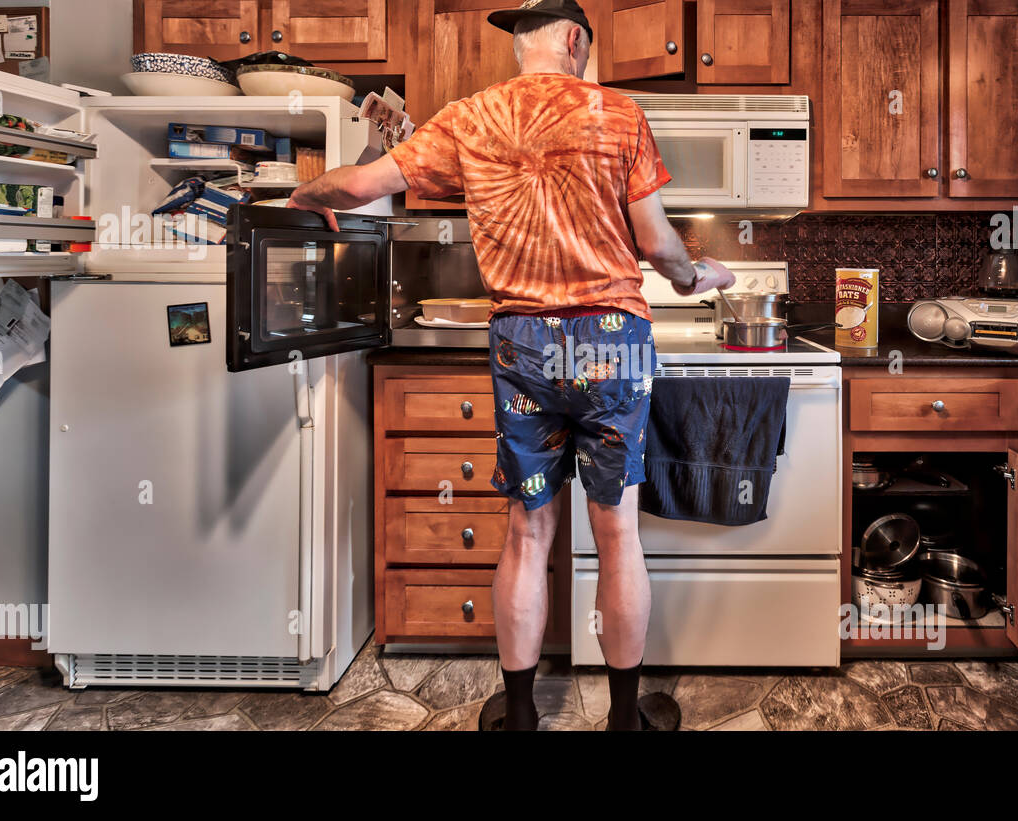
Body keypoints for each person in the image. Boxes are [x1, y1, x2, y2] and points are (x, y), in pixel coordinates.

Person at [287, 0, 735, 731]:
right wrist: (697, 278)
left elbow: (364, 187)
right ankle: (626, 719)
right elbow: (658, 247)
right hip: (612, 341)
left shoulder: (469, 117)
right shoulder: (618, 115)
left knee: (527, 529)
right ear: (575, 40)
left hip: (521, 343)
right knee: (617, 529)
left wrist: (303, 192)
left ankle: (522, 715)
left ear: (523, 46)